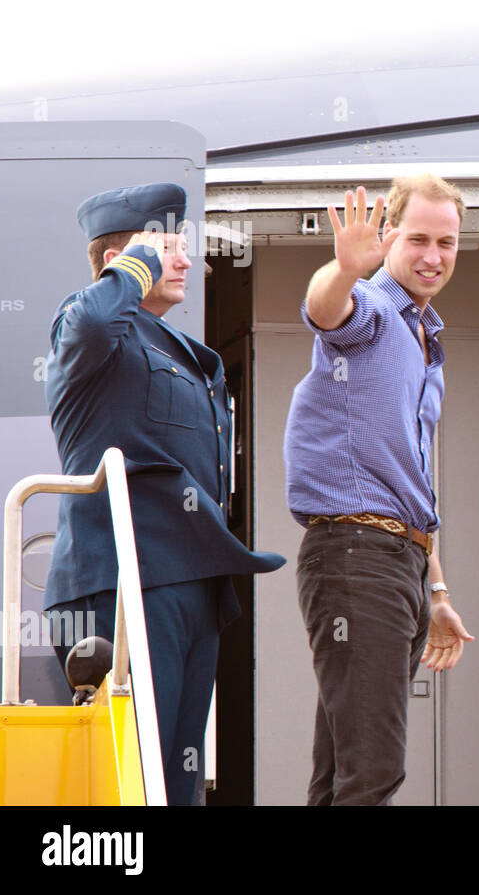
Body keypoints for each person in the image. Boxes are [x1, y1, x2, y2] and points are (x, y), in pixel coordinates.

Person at [44, 181, 286, 805]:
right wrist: (136, 262)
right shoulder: (92, 327)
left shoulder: (175, 346)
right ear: (116, 262)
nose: (185, 260)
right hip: (124, 579)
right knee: (125, 776)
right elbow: (96, 317)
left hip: (190, 582)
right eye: (166, 248)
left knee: (177, 780)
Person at [283, 180, 473, 805]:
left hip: (399, 560)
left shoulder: (427, 340)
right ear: (388, 234)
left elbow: (410, 481)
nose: (433, 256)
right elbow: (324, 311)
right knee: (374, 770)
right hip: (356, 558)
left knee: (344, 769)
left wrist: (435, 587)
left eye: (447, 242)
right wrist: (342, 268)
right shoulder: (370, 308)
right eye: (417, 238)